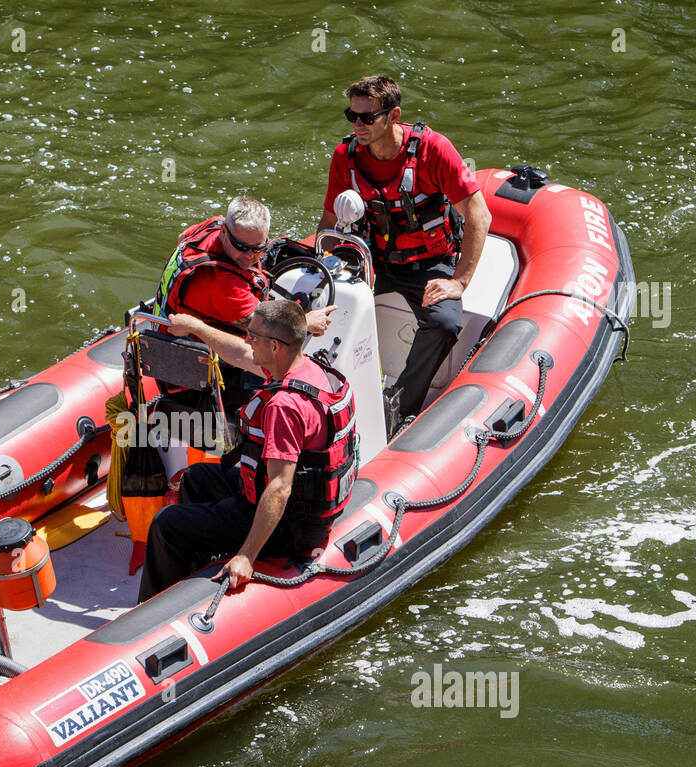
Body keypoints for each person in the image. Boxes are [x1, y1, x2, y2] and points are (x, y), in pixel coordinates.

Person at [137, 300, 358, 602]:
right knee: (197, 478)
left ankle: (154, 609)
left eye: (253, 336)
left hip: (288, 525)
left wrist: (247, 556)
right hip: (291, 501)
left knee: (167, 524)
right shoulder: (302, 368)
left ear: (275, 346)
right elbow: (238, 353)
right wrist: (196, 328)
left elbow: (280, 487)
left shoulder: (285, 406)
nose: (248, 341)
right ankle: (197, 570)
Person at [317, 74, 492, 423]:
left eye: (367, 117)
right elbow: (328, 222)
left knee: (444, 323)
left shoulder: (433, 150)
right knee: (322, 309)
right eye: (351, 116)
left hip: (429, 264)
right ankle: (324, 399)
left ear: (393, 115)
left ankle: (397, 406)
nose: (357, 125)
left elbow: (479, 214)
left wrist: (459, 282)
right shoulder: (345, 156)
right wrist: (324, 269)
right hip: (371, 260)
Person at [153, 197, 332, 413]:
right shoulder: (223, 285)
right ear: (225, 233)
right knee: (286, 372)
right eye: (241, 247)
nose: (249, 257)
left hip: (176, 349)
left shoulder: (212, 225)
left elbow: (183, 236)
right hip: (194, 381)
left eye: (258, 248)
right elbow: (270, 329)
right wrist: (307, 321)